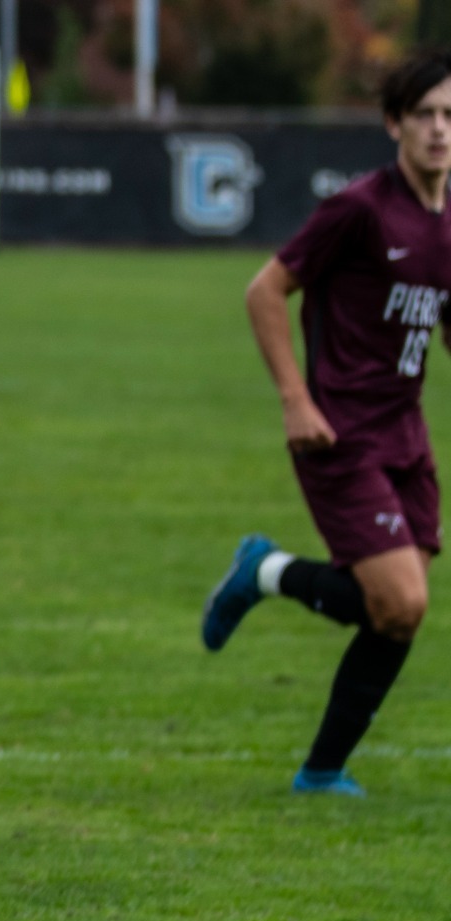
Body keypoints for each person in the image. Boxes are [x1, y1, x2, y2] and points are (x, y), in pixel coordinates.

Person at [202, 50, 448, 797]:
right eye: (426, 115)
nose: (441, 129)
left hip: (405, 432)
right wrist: (293, 397)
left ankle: (322, 768)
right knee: (401, 600)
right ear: (393, 123)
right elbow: (265, 291)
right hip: (338, 431)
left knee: (395, 612)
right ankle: (265, 572)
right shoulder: (362, 208)